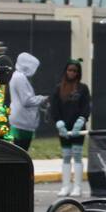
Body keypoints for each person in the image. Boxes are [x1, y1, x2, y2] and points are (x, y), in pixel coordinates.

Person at [49, 59, 91, 197]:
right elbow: (54, 107)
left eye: (74, 71)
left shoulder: (83, 88)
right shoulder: (58, 88)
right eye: (69, 70)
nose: (72, 73)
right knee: (66, 156)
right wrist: (58, 122)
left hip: (78, 128)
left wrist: (81, 120)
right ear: (65, 71)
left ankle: (77, 187)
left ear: (78, 73)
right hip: (64, 128)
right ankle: (65, 186)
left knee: (77, 155)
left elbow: (86, 107)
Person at [8, 52, 47, 151]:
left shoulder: (16, 76)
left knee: (19, 149)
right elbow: (27, 101)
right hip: (22, 121)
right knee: (22, 151)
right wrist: (42, 99)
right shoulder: (20, 78)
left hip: (20, 120)